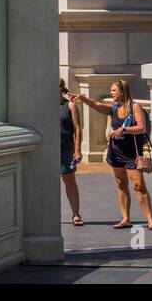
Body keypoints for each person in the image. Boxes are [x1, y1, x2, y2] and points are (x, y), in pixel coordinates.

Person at [70, 79, 152, 231]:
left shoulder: (135, 107)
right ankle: (125, 219)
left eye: (114, 90)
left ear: (122, 92)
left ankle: (151, 221)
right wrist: (83, 98)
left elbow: (141, 127)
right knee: (121, 183)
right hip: (116, 152)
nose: (111, 93)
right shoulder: (113, 109)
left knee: (139, 186)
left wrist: (123, 130)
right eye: (111, 90)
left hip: (132, 152)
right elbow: (97, 106)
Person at [60, 79, 84, 226]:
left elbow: (77, 128)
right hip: (49, 149)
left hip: (66, 148)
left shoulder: (70, 105)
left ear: (62, 88)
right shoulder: (44, 105)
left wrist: (78, 150)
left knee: (69, 181)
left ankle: (76, 213)